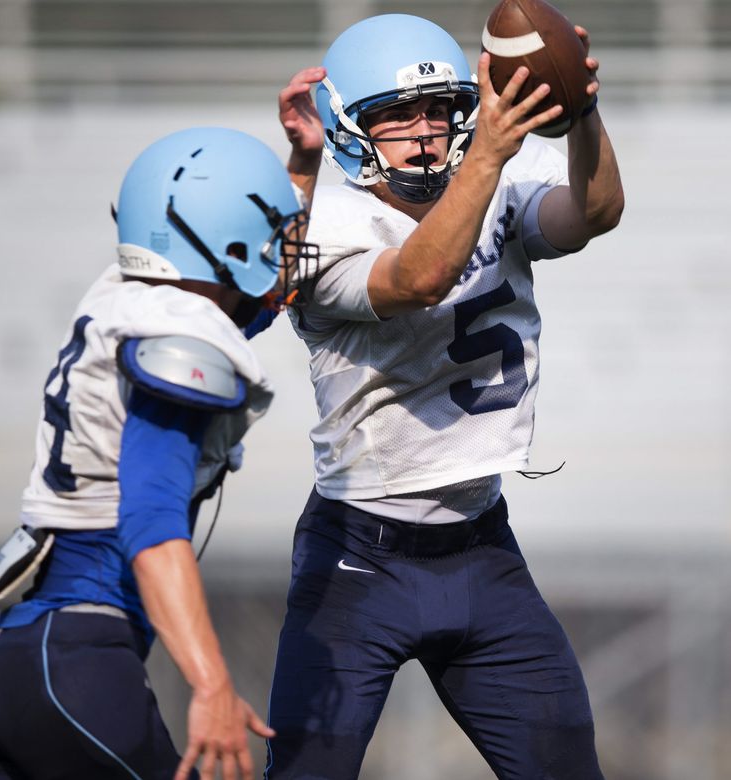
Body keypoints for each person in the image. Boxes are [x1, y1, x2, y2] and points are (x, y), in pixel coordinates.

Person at [265, 13, 624, 780]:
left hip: (483, 545)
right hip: (360, 561)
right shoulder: (315, 230)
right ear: (349, 129)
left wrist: (581, 112)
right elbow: (418, 277)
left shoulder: (495, 191)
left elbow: (592, 213)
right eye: (397, 116)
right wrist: (488, 158)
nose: (427, 132)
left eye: (439, 111)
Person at [0, 112, 323, 780]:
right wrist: (212, 683)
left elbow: (238, 291)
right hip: (80, 669)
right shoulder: (181, 343)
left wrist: (300, 168)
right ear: (231, 241)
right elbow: (152, 528)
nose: (287, 248)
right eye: (274, 233)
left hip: (13, 668)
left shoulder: (127, 297)